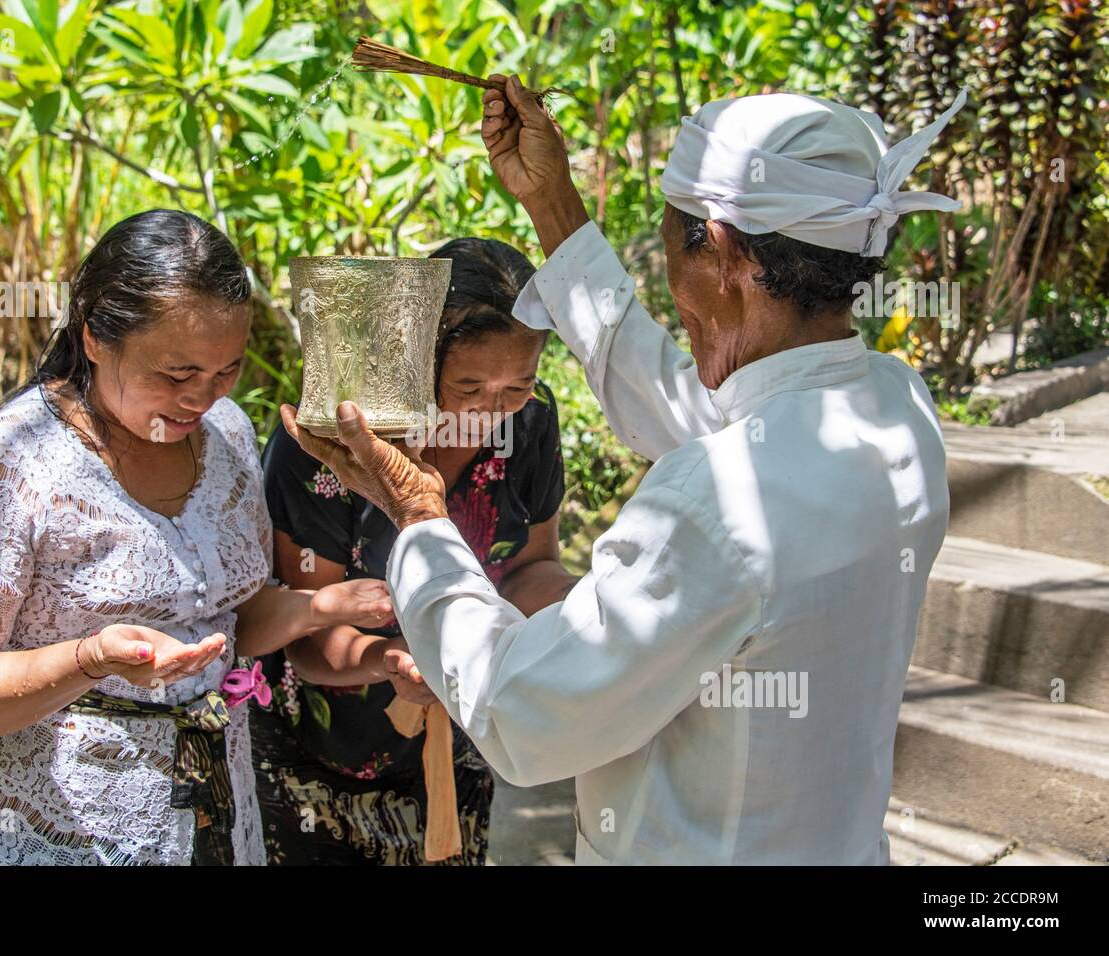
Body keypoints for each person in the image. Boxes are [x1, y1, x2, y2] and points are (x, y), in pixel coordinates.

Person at [281, 79, 965, 864]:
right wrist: (551, 202)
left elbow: (519, 713)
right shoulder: (893, 406)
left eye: (673, 248)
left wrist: (418, 514)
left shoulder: (718, 504)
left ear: (726, 251)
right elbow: (677, 400)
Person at [0, 209, 392, 865]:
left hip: (212, 820)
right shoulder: (5, 468)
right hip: (58, 840)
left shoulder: (228, 439)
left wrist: (316, 609)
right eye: (176, 374)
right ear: (97, 339)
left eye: (227, 371)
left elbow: (225, 618)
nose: (202, 399)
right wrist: (89, 658)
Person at [249, 237, 577, 865]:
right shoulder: (330, 445)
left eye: (518, 385)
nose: (492, 411)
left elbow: (531, 568)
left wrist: (586, 605)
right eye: (469, 384)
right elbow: (307, 631)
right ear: (416, 360)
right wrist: (393, 660)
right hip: (318, 756)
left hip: (455, 745)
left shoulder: (530, 423)